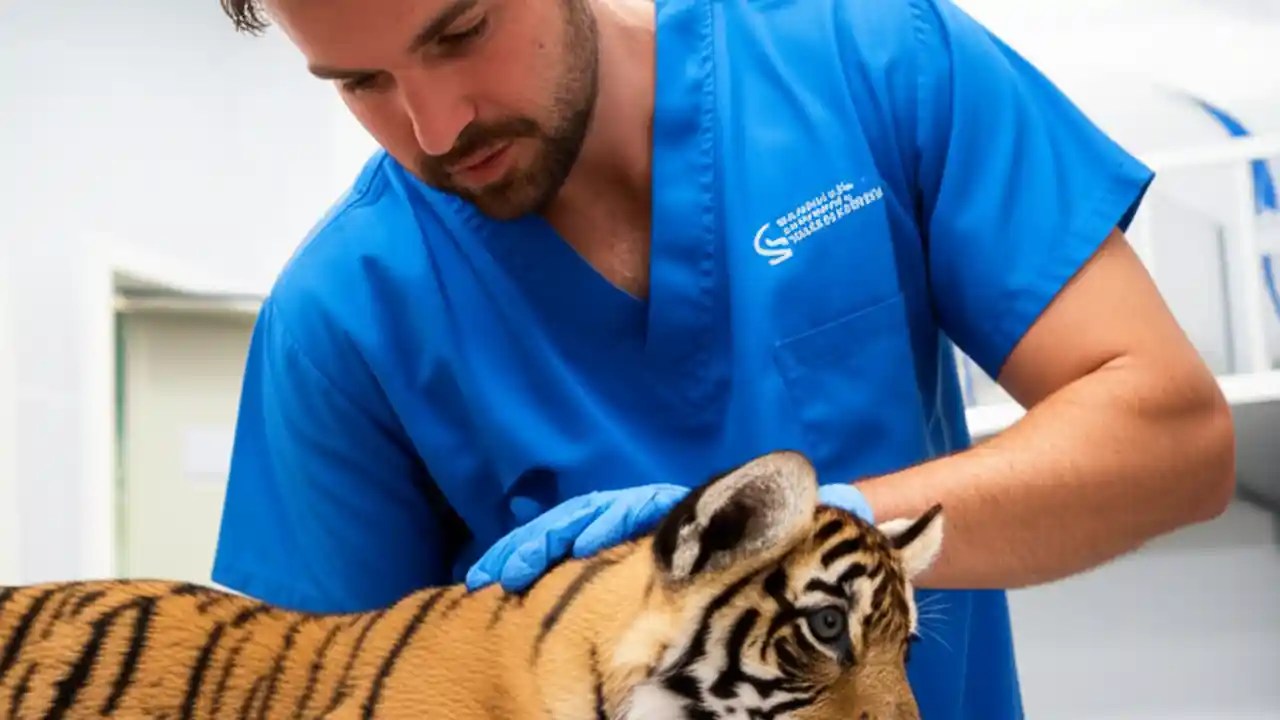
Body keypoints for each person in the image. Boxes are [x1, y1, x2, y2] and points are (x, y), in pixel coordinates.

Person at [209, 0, 1236, 716]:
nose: (436, 126)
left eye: (462, 31)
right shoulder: (342, 317)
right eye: (360, 84)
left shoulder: (862, 60)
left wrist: (811, 538)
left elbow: (1171, 434)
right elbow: (305, 691)